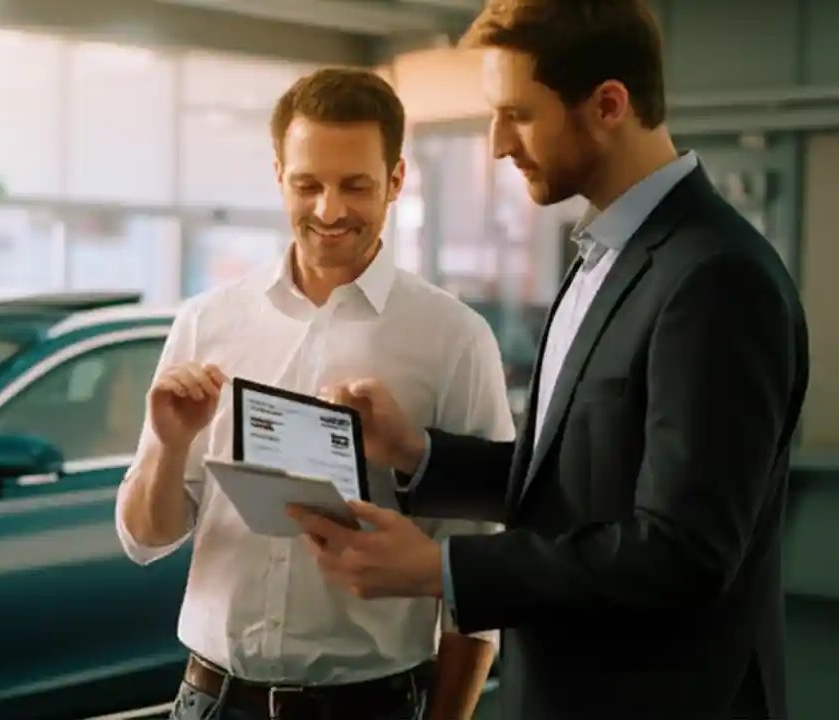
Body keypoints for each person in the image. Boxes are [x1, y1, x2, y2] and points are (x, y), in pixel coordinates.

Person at [287, 2, 811, 719]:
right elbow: (574, 480)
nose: (499, 143)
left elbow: (683, 553)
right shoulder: (606, 254)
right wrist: (416, 451)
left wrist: (441, 569)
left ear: (608, 104)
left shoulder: (717, 278)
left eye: (518, 114)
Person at [115, 68, 512, 720]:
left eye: (355, 185)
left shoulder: (454, 340)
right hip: (208, 701)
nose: (329, 210)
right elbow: (145, 538)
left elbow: (478, 581)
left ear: (395, 180)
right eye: (307, 185)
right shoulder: (207, 322)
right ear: (279, 177)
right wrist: (168, 442)